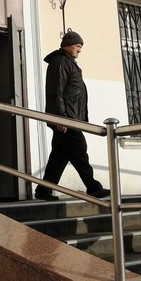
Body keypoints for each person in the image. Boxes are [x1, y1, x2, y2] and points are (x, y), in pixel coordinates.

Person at [34, 30, 110, 201]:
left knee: (59, 155)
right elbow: (56, 90)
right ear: (67, 46)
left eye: (80, 46)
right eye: (77, 46)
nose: (79, 50)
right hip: (67, 118)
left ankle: (43, 190)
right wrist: (61, 118)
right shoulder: (61, 61)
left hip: (69, 117)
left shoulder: (66, 61)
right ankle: (93, 188)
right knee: (79, 150)